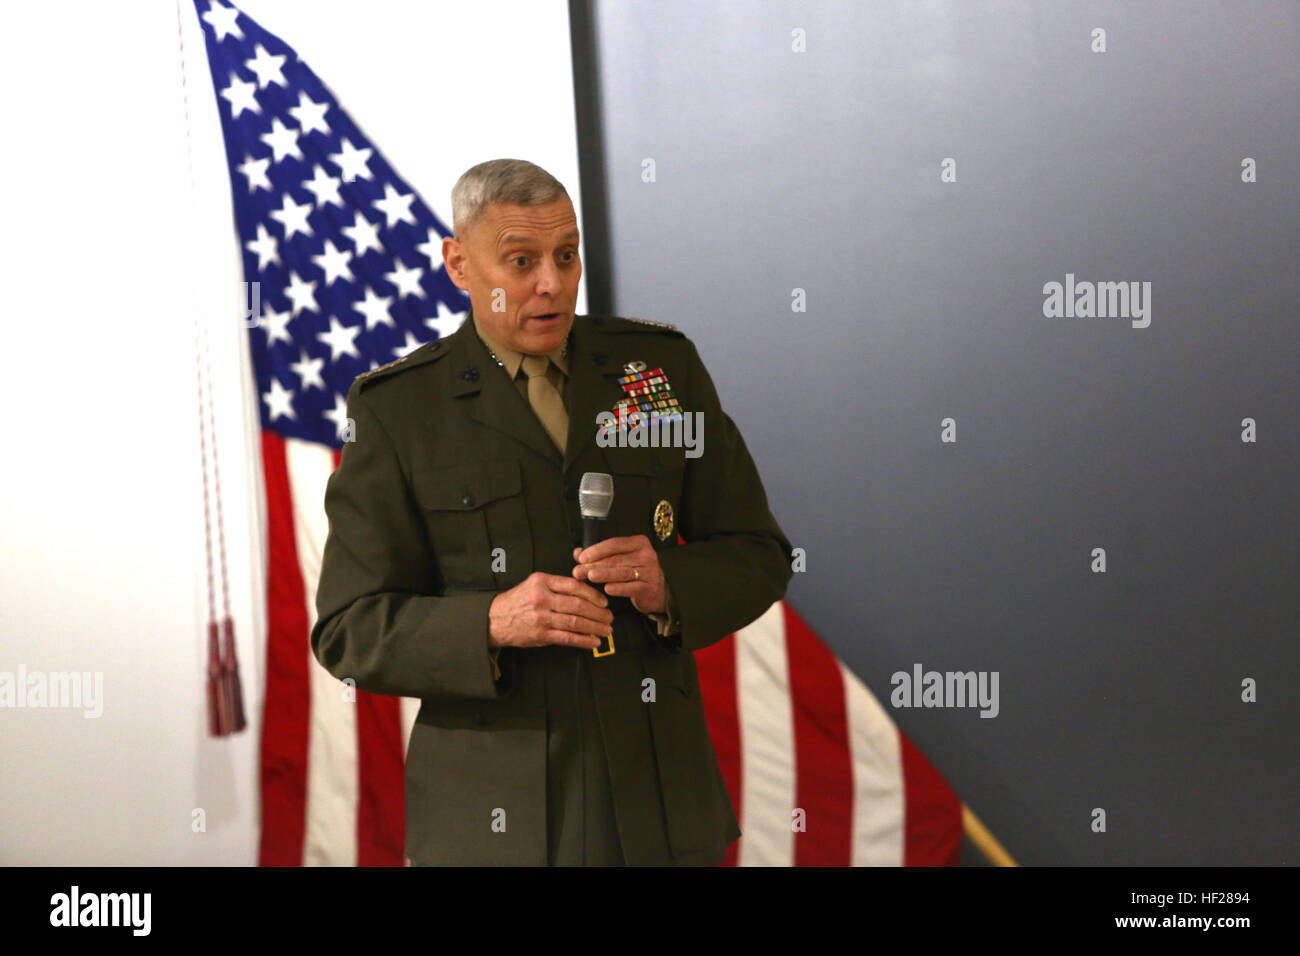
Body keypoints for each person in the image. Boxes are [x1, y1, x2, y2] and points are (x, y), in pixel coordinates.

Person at [311, 158, 792, 866]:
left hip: (656, 807)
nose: (552, 283)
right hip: (494, 819)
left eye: (566, 257)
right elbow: (348, 629)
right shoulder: (397, 410)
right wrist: (491, 623)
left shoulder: (656, 372)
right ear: (458, 264)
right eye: (522, 260)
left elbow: (759, 552)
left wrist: (670, 585)